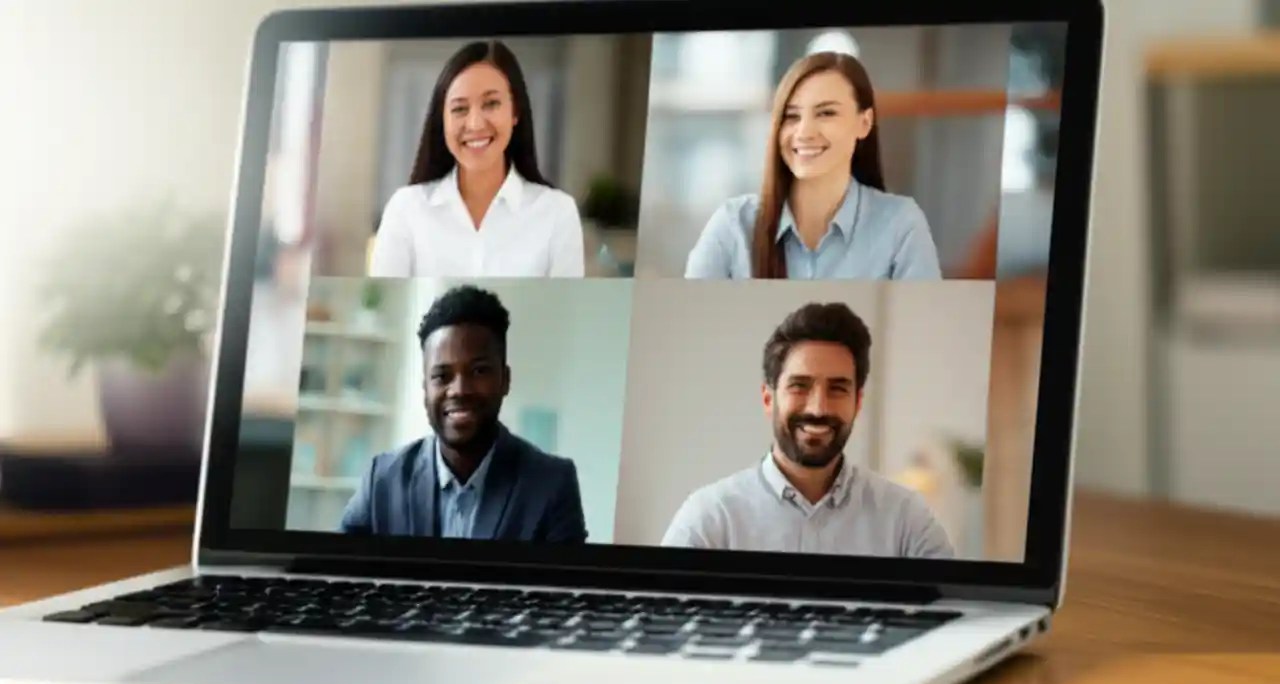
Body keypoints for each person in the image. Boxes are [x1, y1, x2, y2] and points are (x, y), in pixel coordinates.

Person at [660, 301, 953, 558]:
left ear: (857, 402)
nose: (818, 408)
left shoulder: (907, 520)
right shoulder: (710, 519)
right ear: (768, 399)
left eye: (837, 388)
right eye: (799, 386)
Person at [339, 285, 588, 542]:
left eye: (478, 371)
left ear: (505, 380)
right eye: (442, 376)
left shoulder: (551, 484)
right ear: (425, 388)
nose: (459, 390)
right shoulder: (382, 479)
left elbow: (567, 570)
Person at [684, 52, 942, 280]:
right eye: (792, 116)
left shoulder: (901, 225)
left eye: (826, 113)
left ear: (864, 123)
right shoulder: (732, 226)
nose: (804, 132)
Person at [369, 41, 585, 277]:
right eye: (459, 109)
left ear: (515, 111)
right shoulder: (406, 209)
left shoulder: (557, 213)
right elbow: (383, 301)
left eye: (491, 104)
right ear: (442, 121)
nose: (474, 124)